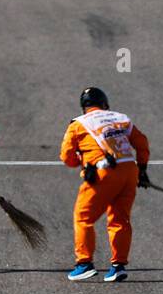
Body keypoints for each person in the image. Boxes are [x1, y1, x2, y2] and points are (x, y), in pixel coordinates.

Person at [59, 87, 151, 282]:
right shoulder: (121, 118)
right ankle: (118, 266)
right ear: (105, 104)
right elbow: (141, 143)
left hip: (104, 173)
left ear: (84, 107)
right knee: (120, 219)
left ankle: (84, 263)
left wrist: (81, 161)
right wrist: (142, 170)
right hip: (129, 171)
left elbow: (67, 157)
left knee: (83, 217)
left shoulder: (78, 124)